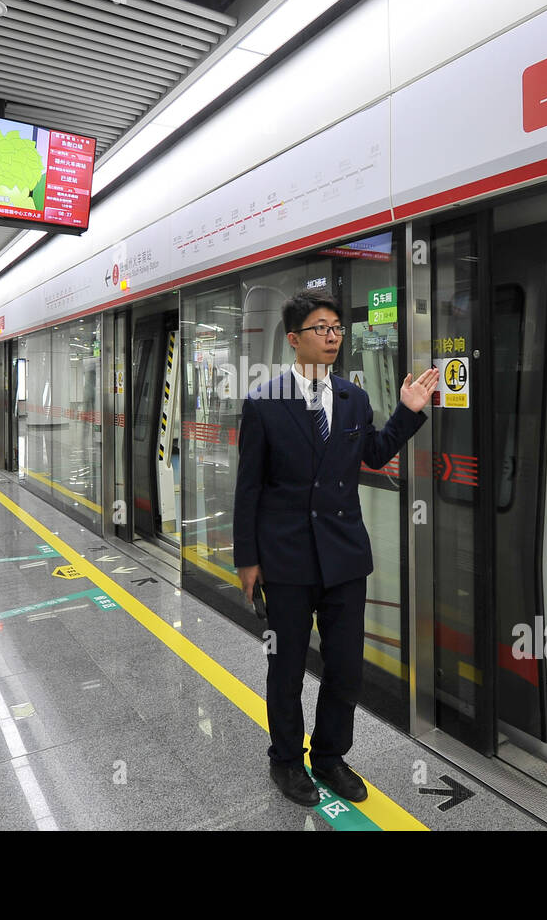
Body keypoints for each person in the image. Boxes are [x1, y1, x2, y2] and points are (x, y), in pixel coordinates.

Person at [233, 287, 438, 807]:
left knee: (346, 667)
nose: (331, 337)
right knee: (287, 667)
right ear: (294, 338)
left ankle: (329, 756)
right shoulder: (263, 403)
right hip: (286, 560)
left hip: (345, 557)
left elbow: (371, 452)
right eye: (321, 328)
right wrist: (248, 559)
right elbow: (249, 488)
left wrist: (408, 413)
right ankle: (285, 760)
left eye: (336, 329)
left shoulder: (353, 398)